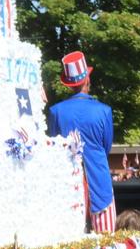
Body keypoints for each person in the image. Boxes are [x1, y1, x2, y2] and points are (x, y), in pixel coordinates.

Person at [47, 51, 116, 233]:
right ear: (87, 80)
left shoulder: (56, 111)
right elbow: (106, 147)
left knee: (71, 245)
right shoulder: (104, 111)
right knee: (106, 244)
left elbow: (54, 149)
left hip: (67, 186)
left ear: (69, 85)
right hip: (100, 184)